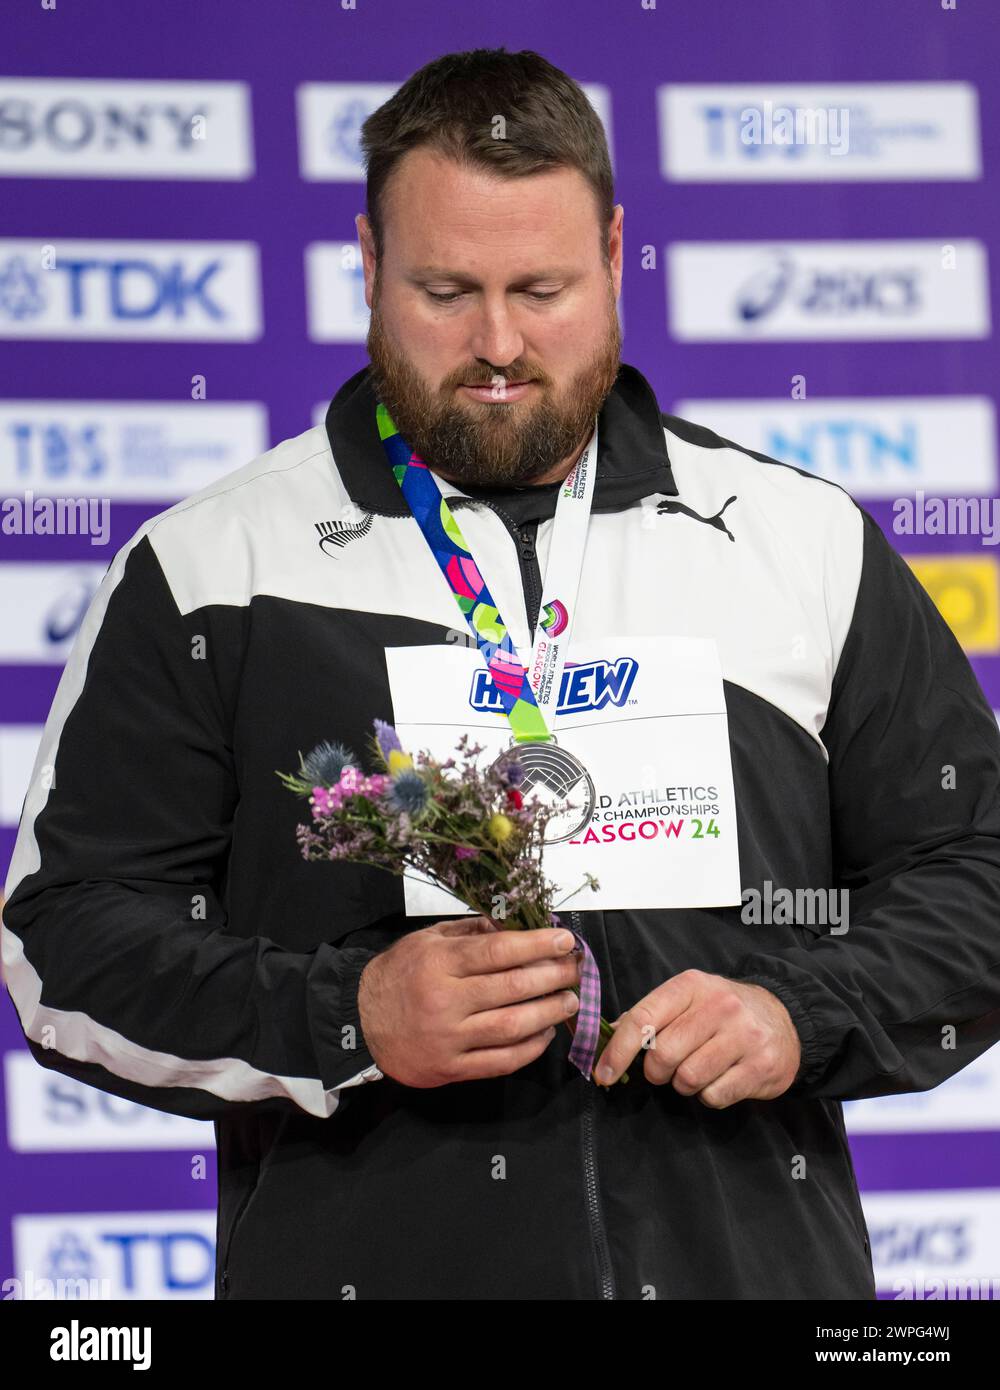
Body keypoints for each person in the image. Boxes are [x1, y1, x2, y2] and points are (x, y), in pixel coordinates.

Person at [4, 47, 1000, 1302]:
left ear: (619, 254)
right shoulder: (211, 568)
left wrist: (803, 1011)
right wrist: (350, 1017)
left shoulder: (795, 540)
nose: (496, 343)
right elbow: (63, 951)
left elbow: (978, 875)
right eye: (442, 289)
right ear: (366, 263)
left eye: (541, 287)